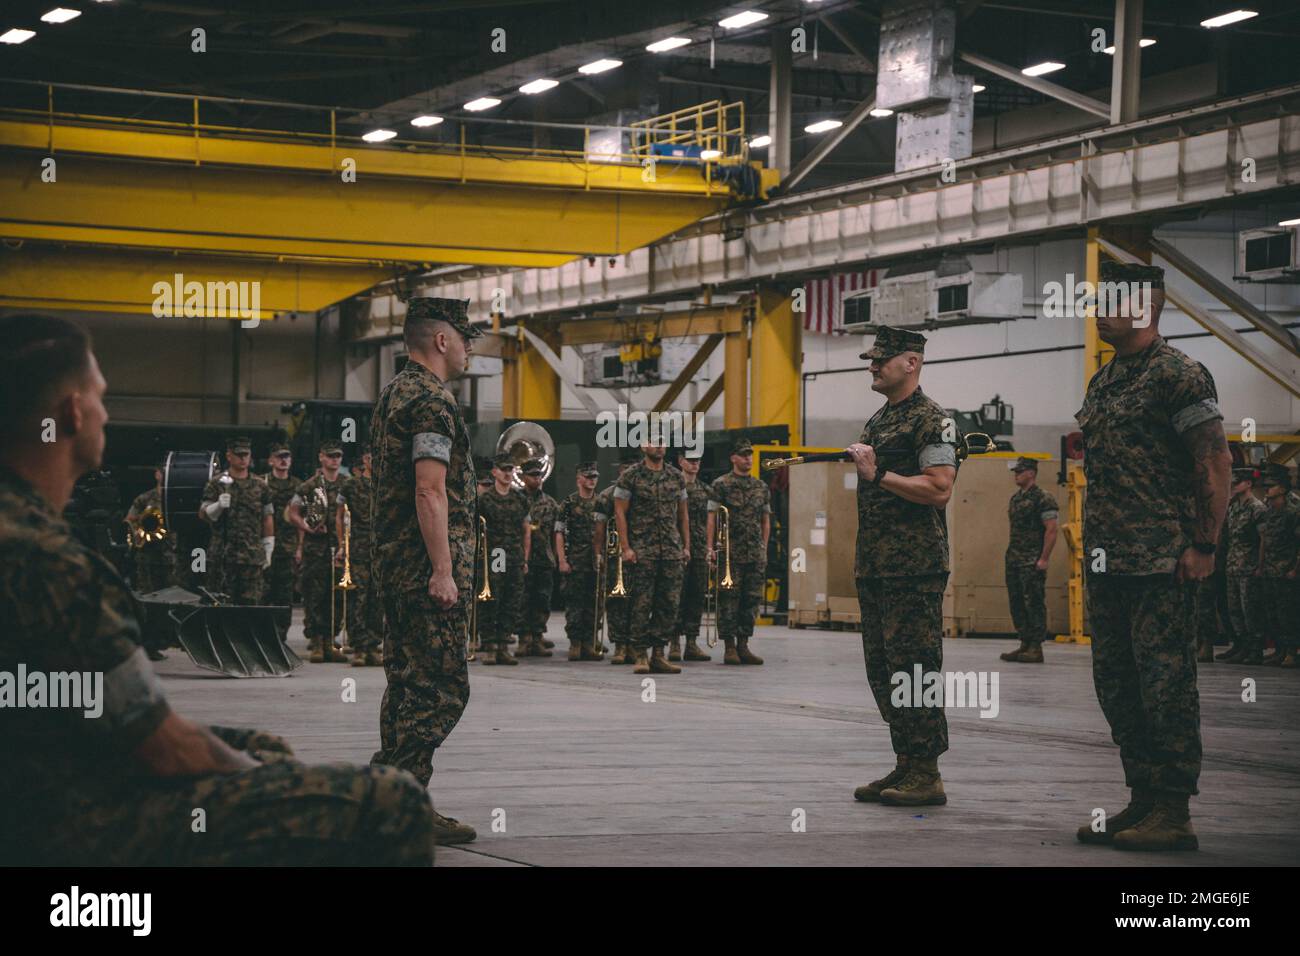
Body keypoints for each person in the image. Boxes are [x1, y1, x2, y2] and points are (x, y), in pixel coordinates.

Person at [0, 314, 434, 865]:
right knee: (392, 801)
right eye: (101, 398)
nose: (106, 413)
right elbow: (159, 745)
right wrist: (262, 780)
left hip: (36, 776)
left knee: (260, 743)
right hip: (63, 824)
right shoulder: (50, 562)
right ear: (73, 413)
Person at [1074, 261, 1231, 852]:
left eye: (1111, 302)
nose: (1099, 312)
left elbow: (1214, 459)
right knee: (1117, 683)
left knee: (1166, 683)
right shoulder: (1105, 380)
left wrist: (1204, 543)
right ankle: (1142, 797)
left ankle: (1173, 809)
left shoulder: (1180, 374)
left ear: (1146, 308)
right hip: (1108, 562)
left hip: (1161, 560)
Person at [368, 297, 480, 845]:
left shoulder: (394, 393)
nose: (468, 349)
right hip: (422, 571)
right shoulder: (432, 401)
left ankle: (383, 799)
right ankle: (403, 808)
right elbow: (429, 489)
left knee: (407, 683)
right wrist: (443, 570)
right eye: (464, 338)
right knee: (440, 688)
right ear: (441, 340)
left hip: (395, 567)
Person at [848, 326, 957, 808]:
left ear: (911, 362)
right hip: (877, 564)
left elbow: (939, 488)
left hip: (914, 567)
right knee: (884, 669)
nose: (873, 366)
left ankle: (927, 771)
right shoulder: (879, 420)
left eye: (882, 359)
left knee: (915, 668)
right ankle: (907, 762)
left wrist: (878, 474)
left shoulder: (934, 421)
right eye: (872, 359)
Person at [614, 442, 690, 675]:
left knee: (668, 603)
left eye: (662, 443)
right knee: (641, 603)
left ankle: (658, 654)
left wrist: (686, 546)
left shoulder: (676, 476)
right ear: (643, 446)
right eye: (654, 443)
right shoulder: (630, 476)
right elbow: (620, 512)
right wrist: (626, 547)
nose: (659, 447)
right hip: (642, 551)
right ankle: (640, 654)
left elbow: (683, 514)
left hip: (670, 550)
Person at [707, 438, 771, 665]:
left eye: (750, 455)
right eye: (743, 455)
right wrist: (710, 548)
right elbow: (712, 518)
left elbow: (765, 520)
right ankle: (729, 646)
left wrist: (764, 547)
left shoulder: (761, 487)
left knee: (751, 599)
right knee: (728, 600)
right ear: (733, 458)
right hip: (730, 553)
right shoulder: (721, 485)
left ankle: (744, 644)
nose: (748, 459)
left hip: (754, 552)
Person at [287, 440, 347, 663]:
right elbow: (293, 512)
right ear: (321, 457)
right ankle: (317, 642)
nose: (334, 460)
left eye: (338, 456)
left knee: (337, 595)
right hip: (316, 548)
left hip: (339, 548)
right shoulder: (309, 486)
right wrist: (306, 526)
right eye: (330, 456)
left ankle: (331, 640)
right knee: (314, 595)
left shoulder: (347, 484)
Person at [198, 436, 274, 605]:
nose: (242, 458)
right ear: (229, 456)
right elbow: (203, 514)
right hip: (222, 556)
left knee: (250, 604)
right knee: (220, 603)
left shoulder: (260, 486)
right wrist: (218, 506)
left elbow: (267, 517)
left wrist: (269, 547)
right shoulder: (216, 483)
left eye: (246, 454)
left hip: (251, 556)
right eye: (238, 454)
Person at [999, 456, 1059, 664]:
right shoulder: (1016, 499)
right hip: (1014, 559)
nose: (1016, 475)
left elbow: (1051, 530)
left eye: (1020, 471)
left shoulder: (1044, 498)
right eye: (1015, 472)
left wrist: (1044, 558)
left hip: (1032, 560)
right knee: (1016, 602)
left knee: (1033, 602)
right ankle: (1025, 642)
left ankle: (1036, 647)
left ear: (1031, 473)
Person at [476, 453, 531, 665]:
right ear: (495, 472)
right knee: (493, 599)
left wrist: (525, 558)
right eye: (504, 469)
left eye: (510, 469)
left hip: (514, 554)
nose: (508, 473)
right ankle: (490, 646)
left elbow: (526, 530)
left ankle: (503, 645)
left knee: (512, 600)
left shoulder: (520, 499)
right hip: (495, 554)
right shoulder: (485, 499)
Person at [1215, 466, 1266, 664]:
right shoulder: (1234, 507)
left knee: (1250, 610)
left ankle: (1255, 649)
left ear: (1249, 484)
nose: (1234, 486)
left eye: (1237, 483)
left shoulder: (1257, 508)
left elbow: (1263, 539)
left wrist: (1260, 566)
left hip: (1248, 567)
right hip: (1232, 566)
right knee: (1234, 609)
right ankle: (1241, 645)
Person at [555, 461, 605, 660]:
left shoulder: (602, 503)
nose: (592, 480)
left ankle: (589, 643)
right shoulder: (568, 504)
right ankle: (575, 643)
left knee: (595, 604)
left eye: (594, 477)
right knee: (575, 603)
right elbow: (559, 533)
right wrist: (562, 560)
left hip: (596, 562)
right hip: (575, 560)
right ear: (579, 479)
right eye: (588, 477)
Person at [338, 445, 381, 666]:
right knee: (359, 597)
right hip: (358, 547)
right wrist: (341, 544)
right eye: (371, 456)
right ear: (364, 459)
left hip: (381, 549)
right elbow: (340, 516)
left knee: (377, 598)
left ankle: (373, 645)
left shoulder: (386, 485)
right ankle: (359, 647)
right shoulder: (351, 485)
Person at [593, 455, 638, 664]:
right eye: (625, 470)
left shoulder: (642, 493)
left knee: (638, 602)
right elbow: (600, 528)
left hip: (639, 553)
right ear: (620, 471)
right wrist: (598, 553)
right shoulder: (606, 496)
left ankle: (634, 644)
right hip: (615, 556)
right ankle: (620, 645)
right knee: (616, 601)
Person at [671, 448, 713, 662]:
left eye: (697, 461)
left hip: (699, 550)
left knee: (697, 596)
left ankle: (691, 642)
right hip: (677, 549)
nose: (694, 464)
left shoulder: (706, 490)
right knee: (676, 596)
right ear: (681, 461)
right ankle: (674, 642)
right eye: (690, 460)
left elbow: (711, 522)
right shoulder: (672, 487)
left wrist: (710, 548)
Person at [1257, 463, 1300, 668]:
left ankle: (1292, 651)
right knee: (1272, 613)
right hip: (1270, 569)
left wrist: (1295, 568)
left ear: (1282, 487)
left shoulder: (1295, 509)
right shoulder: (1269, 507)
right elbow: (1265, 539)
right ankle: (1280, 650)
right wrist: (1261, 566)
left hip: (1287, 570)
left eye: (1271, 485)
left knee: (1288, 614)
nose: (1267, 490)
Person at [517, 458, 558, 657]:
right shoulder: (516, 500)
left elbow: (556, 533)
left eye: (539, 475)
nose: (537, 478)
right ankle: (524, 639)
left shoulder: (550, 503)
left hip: (543, 557)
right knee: (522, 599)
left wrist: (556, 557)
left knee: (542, 598)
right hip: (521, 558)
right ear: (524, 477)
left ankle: (537, 636)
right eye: (533, 475)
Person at [124, 459, 177, 594]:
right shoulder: (144, 498)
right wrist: (139, 531)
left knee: (173, 594)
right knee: (147, 594)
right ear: (157, 474)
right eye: (163, 473)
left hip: (170, 554)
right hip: (147, 555)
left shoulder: (176, 498)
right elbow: (129, 520)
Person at [262, 442, 298, 631]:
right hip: (264, 547)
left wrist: (300, 548)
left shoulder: (299, 486)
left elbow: (304, 518)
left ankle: (281, 635)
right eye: (279, 457)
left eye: (287, 457)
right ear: (271, 461)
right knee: (263, 594)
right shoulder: (262, 484)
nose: (283, 460)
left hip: (288, 547)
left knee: (284, 595)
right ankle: (262, 636)